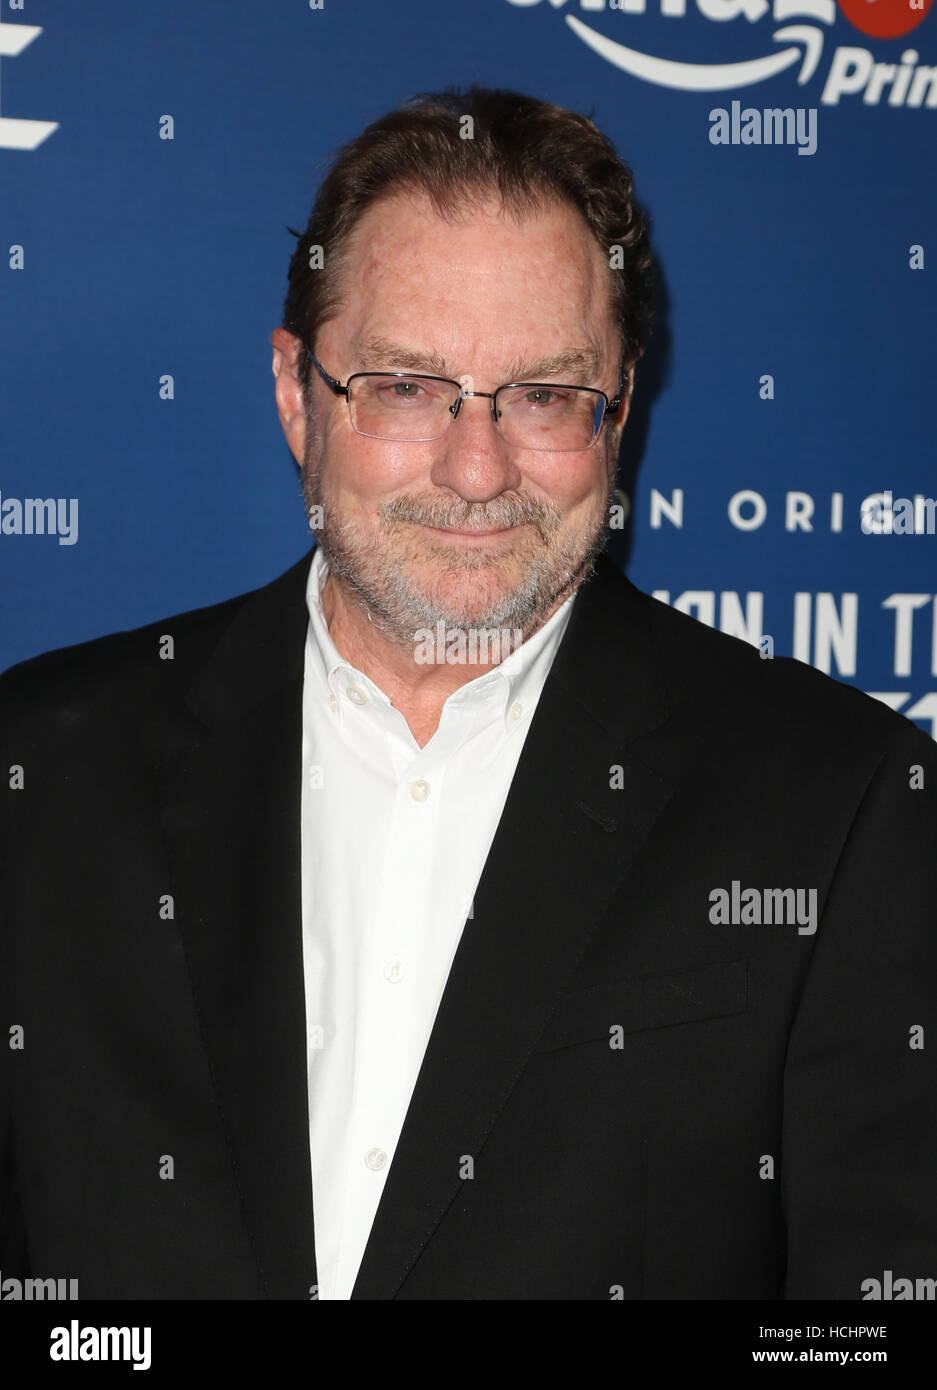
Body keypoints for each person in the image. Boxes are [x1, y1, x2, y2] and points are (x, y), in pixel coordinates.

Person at [1, 87, 934, 1302]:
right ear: (298, 395)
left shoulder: (841, 809)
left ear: (621, 407)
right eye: (405, 386)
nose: (477, 467)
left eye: (544, 395)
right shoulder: (45, 776)